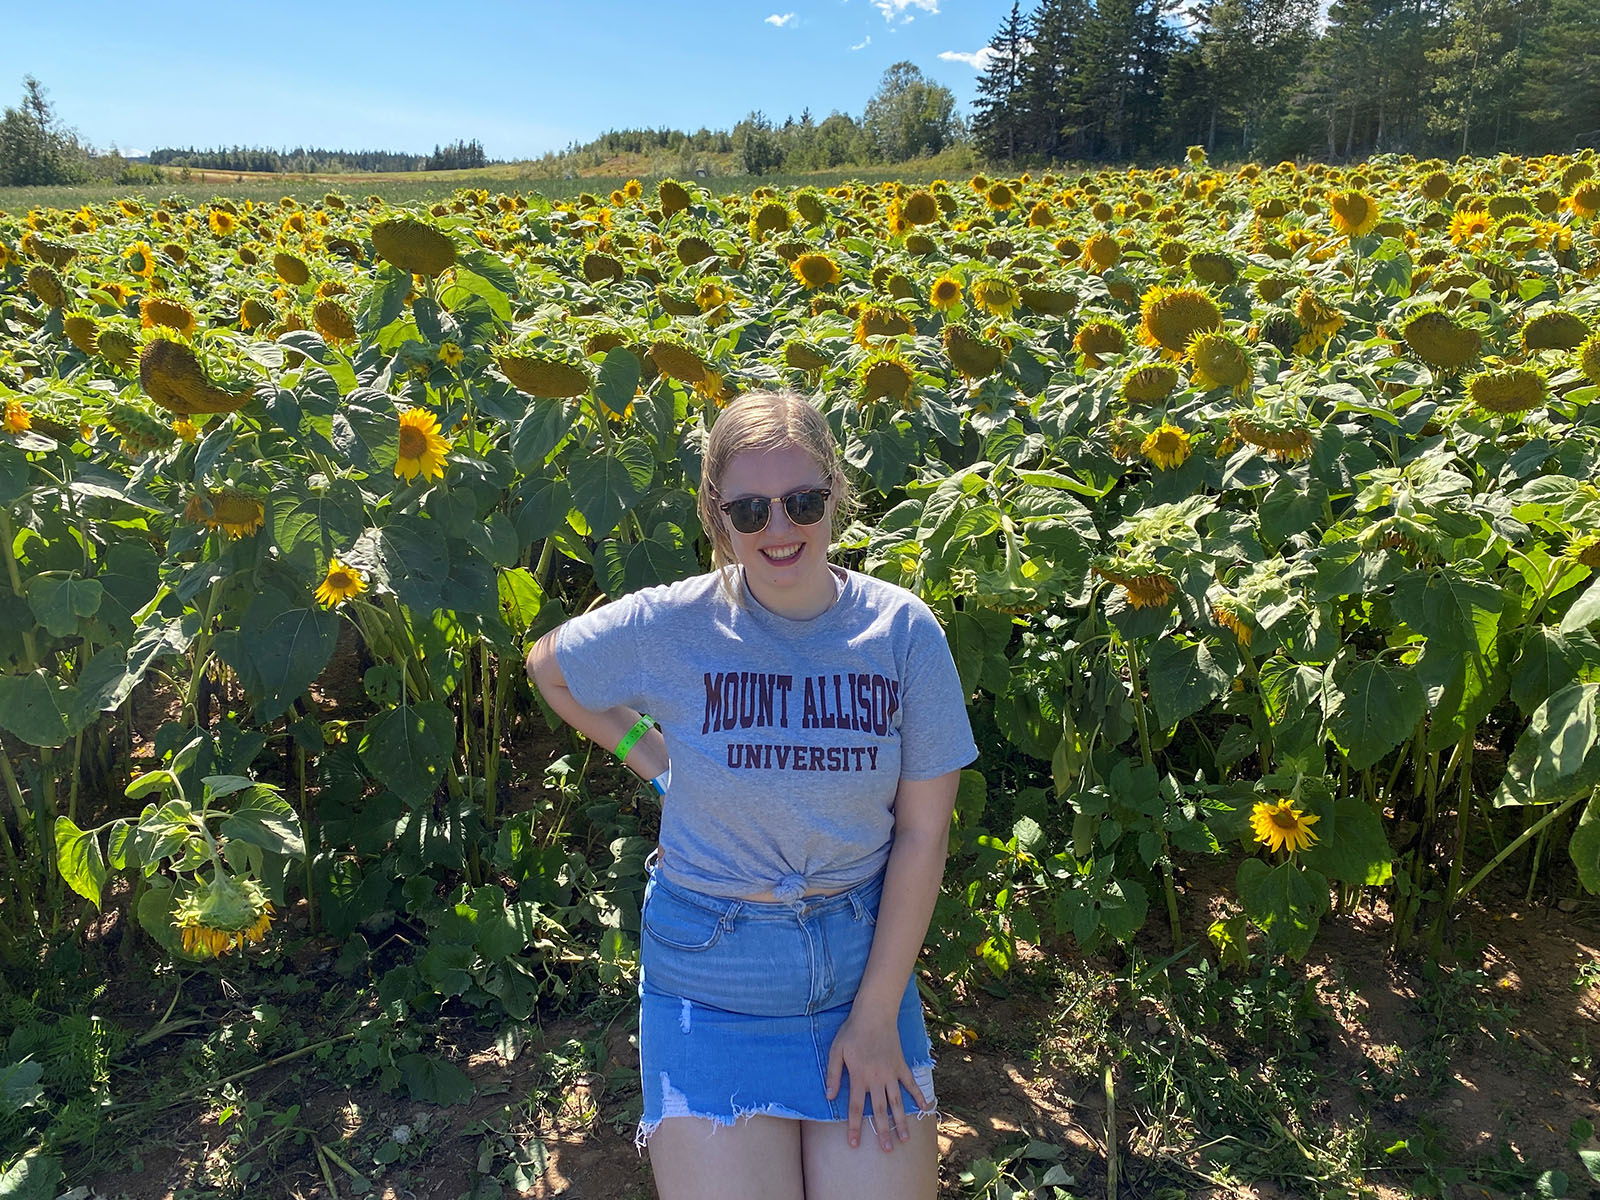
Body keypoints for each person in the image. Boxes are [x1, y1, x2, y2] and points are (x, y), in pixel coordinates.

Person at [525, 389, 978, 1200]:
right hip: (711, 974)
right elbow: (549, 667)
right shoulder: (676, 623)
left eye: (802, 502)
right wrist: (656, 760)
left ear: (834, 495)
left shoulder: (902, 633)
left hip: (859, 967)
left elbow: (923, 836)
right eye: (750, 510)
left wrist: (876, 1016)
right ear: (717, 514)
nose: (779, 529)